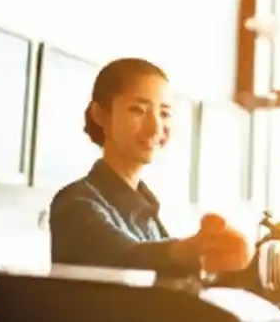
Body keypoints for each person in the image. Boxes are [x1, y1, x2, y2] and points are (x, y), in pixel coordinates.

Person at [49, 58, 251, 282]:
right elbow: (123, 259)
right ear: (100, 115)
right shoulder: (75, 203)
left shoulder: (147, 214)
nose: (155, 128)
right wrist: (192, 250)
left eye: (164, 113)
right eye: (138, 110)